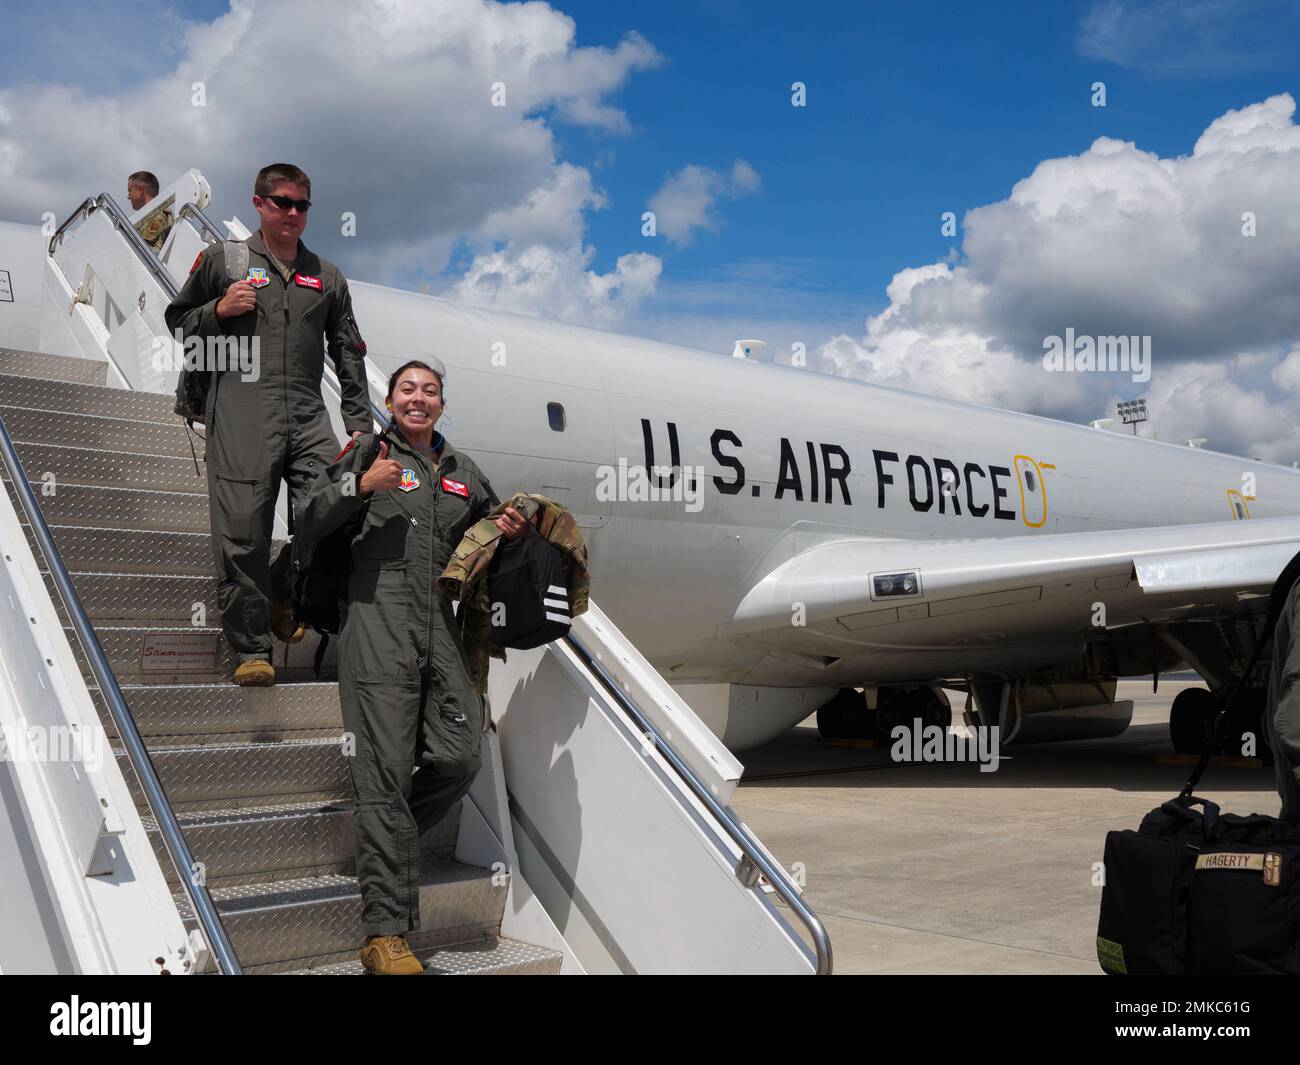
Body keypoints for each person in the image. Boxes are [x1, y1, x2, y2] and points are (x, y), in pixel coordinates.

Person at [297, 359, 529, 975]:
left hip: (441, 627)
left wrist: (505, 529)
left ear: (442, 404)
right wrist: (360, 485)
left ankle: (384, 842)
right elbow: (308, 515)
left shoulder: (462, 472)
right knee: (385, 772)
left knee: (461, 756)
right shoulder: (367, 451)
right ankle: (383, 934)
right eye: (407, 390)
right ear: (391, 399)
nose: (417, 399)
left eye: (429, 391)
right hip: (377, 625)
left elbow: (485, 533)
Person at [164, 163, 370, 686]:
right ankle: (251, 648)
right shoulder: (224, 260)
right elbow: (181, 326)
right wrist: (218, 309)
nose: (293, 214)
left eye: (302, 205)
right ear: (258, 203)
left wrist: (359, 424)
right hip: (240, 406)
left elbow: (348, 350)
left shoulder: (326, 276)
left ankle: (283, 586)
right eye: (282, 202)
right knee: (242, 531)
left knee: (339, 505)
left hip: (305, 408)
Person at [127, 170, 173, 253]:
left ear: (140, 189)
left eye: (130, 191)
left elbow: (138, 249)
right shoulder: (155, 213)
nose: (128, 196)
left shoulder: (156, 216)